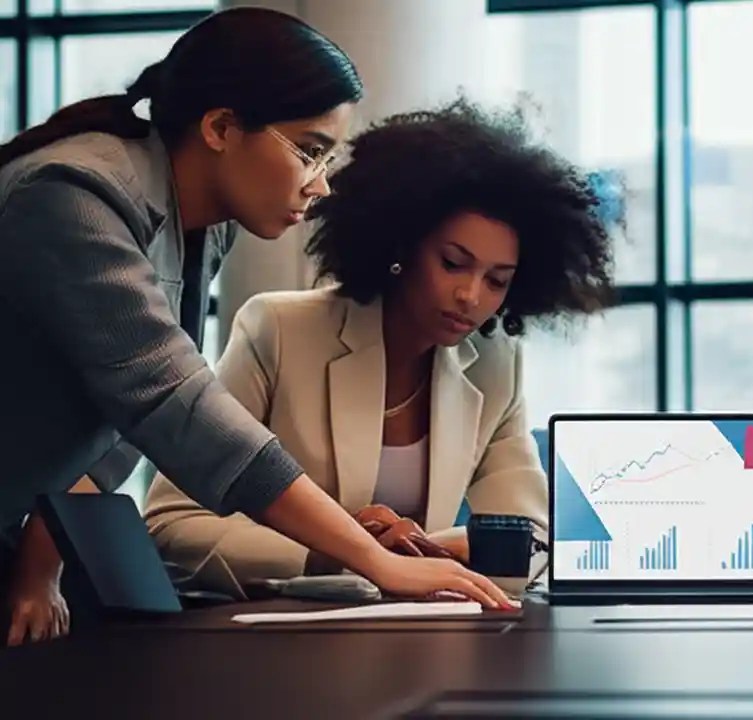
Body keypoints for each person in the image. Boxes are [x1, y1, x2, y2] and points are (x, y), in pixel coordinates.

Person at [0, 8, 512, 647]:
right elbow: (172, 401)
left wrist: (39, 560)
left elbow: (128, 413)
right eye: (311, 151)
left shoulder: (204, 221)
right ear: (220, 127)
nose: (320, 184)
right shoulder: (75, 193)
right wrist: (374, 559)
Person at [144, 99, 616, 595]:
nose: (471, 296)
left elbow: (531, 535)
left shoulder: (495, 363)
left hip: (422, 628)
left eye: (498, 280)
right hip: (283, 634)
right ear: (400, 246)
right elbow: (173, 522)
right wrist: (341, 551)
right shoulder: (279, 330)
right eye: (453, 263)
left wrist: (424, 550)